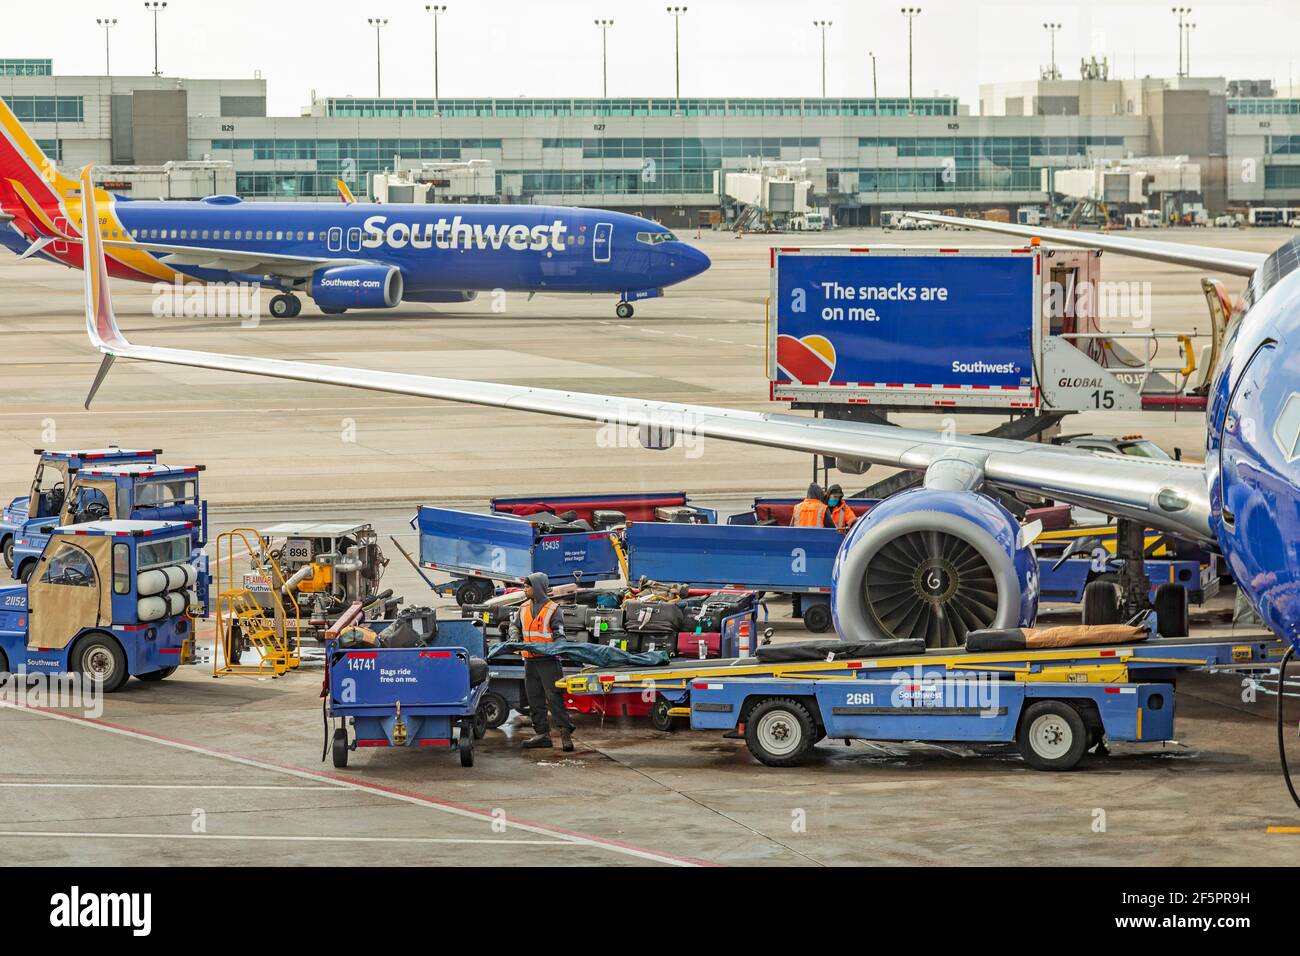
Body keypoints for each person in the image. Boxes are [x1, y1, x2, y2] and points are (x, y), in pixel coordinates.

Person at [508, 572, 575, 751]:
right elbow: (515, 625)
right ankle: (542, 734)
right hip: (530, 661)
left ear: (537, 588)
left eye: (527, 586)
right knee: (534, 698)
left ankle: (565, 734)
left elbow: (559, 633)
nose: (524, 589)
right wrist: (514, 636)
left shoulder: (553, 609)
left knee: (554, 698)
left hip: (548, 661)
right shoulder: (523, 608)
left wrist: (560, 647)